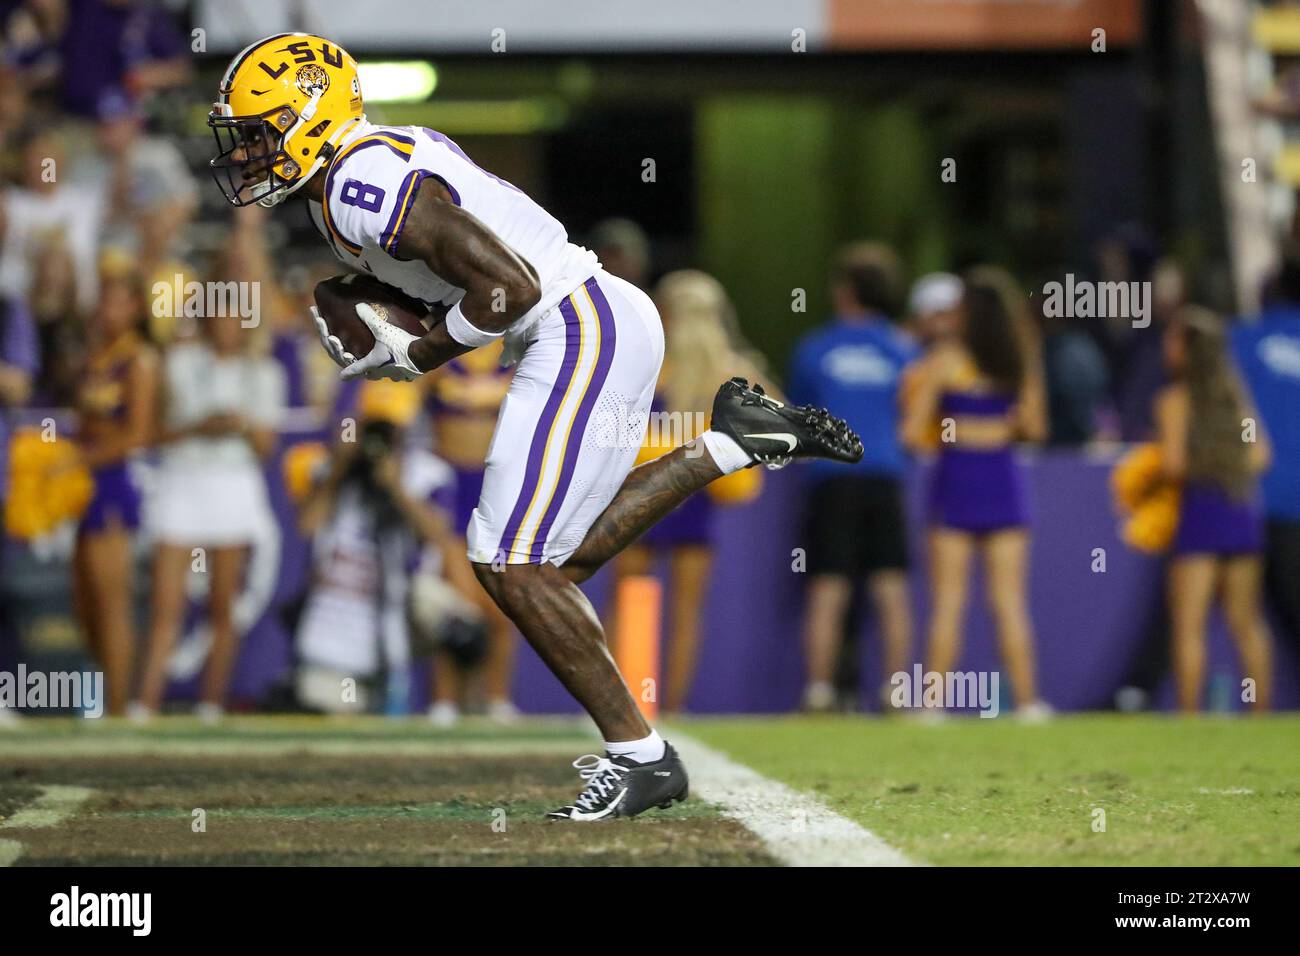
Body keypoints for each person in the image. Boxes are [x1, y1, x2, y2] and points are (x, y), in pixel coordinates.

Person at [208, 34, 862, 820]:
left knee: (510, 563)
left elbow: (508, 288)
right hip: (586, 322)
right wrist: (352, 290)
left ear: (310, 116)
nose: (247, 153)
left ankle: (642, 757)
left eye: (257, 131)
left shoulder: (359, 181)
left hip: (574, 323)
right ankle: (732, 440)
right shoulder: (346, 183)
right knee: (549, 566)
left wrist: (418, 353)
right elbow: (467, 281)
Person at [607, 270, 771, 713]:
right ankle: (673, 710)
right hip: (694, 495)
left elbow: (608, 428)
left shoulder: (645, 361)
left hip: (640, 491)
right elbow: (777, 426)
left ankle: (622, 707)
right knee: (686, 611)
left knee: (626, 600)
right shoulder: (734, 370)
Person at [901, 267, 1051, 718]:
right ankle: (1027, 705)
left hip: (959, 482)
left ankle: (932, 707)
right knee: (1007, 600)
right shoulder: (1019, 359)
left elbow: (911, 432)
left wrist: (959, 428)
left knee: (950, 600)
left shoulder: (944, 361)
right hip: (1000, 481)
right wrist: (996, 425)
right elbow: (1034, 427)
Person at [135, 308, 285, 721]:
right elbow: (154, 432)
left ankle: (210, 705)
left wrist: (240, 425)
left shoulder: (265, 373)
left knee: (223, 604)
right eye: (218, 319)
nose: (225, 328)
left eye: (235, 320)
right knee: (166, 605)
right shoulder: (178, 363)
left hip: (233, 483)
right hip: (183, 477)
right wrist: (199, 427)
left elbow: (265, 447)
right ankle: (144, 704)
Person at [788, 243, 918, 712]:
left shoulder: (816, 349)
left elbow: (797, 419)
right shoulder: (904, 350)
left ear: (845, 291)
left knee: (828, 584)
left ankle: (819, 691)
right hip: (883, 474)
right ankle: (896, 692)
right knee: (891, 584)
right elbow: (916, 418)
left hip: (832, 478)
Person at [1160, 308, 1273, 712]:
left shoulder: (1176, 401)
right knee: (1246, 622)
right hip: (1240, 510)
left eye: (1172, 339)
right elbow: (1260, 455)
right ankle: (1260, 715)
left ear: (1188, 350)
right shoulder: (1235, 398)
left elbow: (1173, 466)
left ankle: (1191, 715)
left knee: (1190, 624)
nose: (1165, 346)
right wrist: (1228, 464)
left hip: (1201, 513)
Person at [72, 260, 156, 716]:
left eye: (117, 300)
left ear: (136, 308)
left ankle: (119, 708)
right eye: (102, 299)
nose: (106, 309)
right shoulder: (95, 356)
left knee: (112, 602)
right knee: (83, 600)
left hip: (112, 482)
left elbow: (138, 433)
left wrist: (75, 460)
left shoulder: (137, 359)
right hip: (85, 482)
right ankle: (102, 697)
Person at [423, 341, 519, 727]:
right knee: (457, 604)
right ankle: (445, 699)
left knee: (502, 603)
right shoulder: (438, 348)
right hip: (451, 487)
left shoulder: (519, 350)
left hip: (497, 486)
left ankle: (495, 698)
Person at [1233, 249, 1300, 671]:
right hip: (1284, 502)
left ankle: (1137, 691)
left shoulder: (1243, 339)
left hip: (1248, 494)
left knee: (1195, 604)